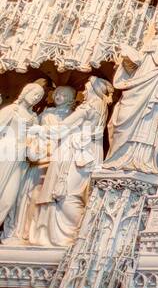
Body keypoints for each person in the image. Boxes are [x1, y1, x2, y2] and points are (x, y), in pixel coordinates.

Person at [105, 0, 158, 175]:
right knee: (120, 120)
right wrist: (130, 60)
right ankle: (118, 157)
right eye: (157, 17)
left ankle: (139, 159)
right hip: (137, 86)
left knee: (147, 120)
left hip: (153, 90)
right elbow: (135, 67)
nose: (157, 21)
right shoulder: (151, 40)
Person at [29, 78, 109, 247]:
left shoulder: (89, 106)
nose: (84, 92)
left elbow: (64, 126)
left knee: (66, 195)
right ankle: (72, 235)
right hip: (88, 151)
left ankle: (77, 235)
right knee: (71, 194)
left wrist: (39, 130)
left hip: (75, 152)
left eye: (87, 88)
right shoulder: (102, 106)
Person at [0, 83, 47, 242]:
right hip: (5, 153)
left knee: (9, 199)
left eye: (39, 97)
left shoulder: (33, 118)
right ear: (25, 91)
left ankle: (7, 230)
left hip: (20, 160)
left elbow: (35, 139)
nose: (36, 98)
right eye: (34, 93)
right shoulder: (11, 110)